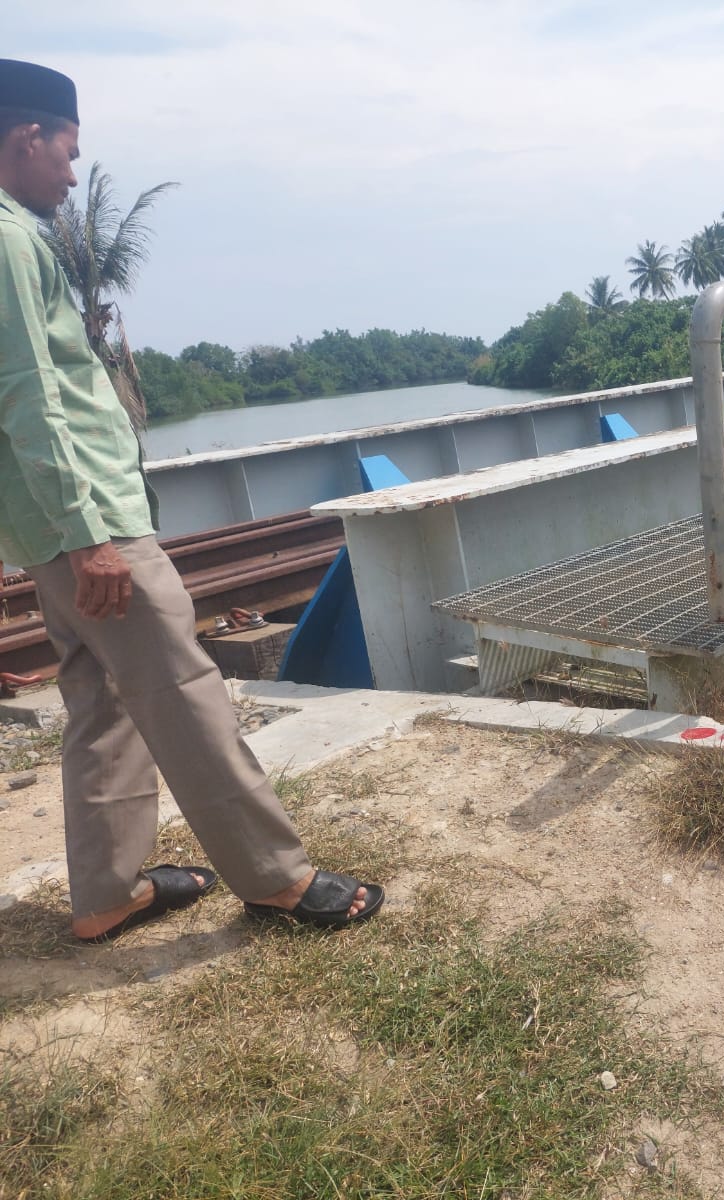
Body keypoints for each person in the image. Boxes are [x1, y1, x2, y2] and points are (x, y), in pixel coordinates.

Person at [0, 59, 382, 943]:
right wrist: (90, 534)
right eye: (67, 152)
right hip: (87, 526)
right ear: (28, 138)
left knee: (99, 700)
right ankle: (279, 879)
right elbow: (30, 395)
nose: (70, 173)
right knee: (182, 688)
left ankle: (105, 894)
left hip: (51, 527)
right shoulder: (13, 240)